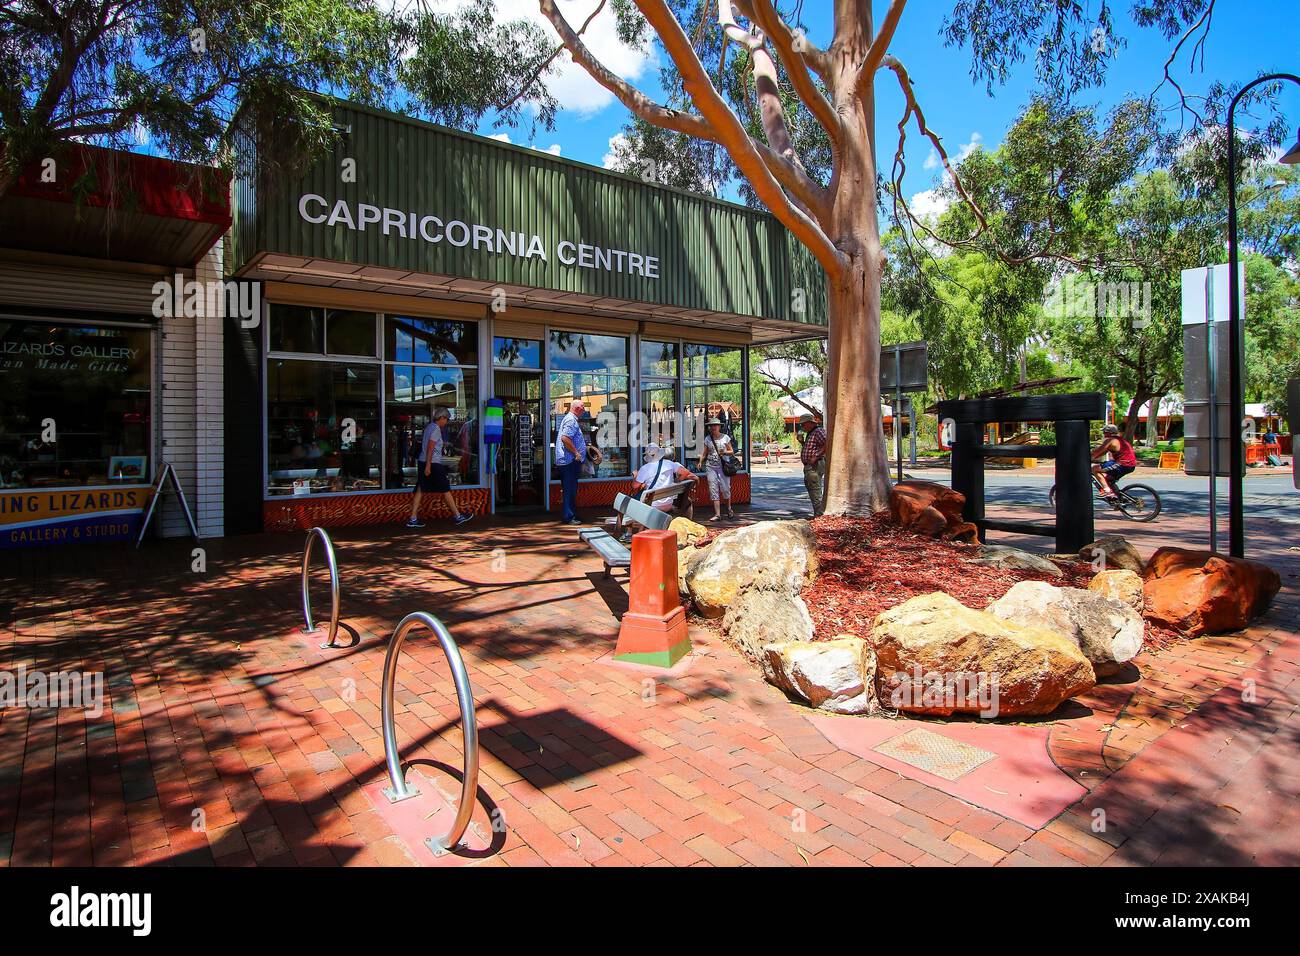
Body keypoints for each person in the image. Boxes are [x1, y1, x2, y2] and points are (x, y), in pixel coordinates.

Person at [407, 407, 473, 528]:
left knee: (420, 489)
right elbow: (431, 447)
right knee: (445, 489)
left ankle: (413, 518)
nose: (446, 422)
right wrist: (428, 466)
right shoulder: (436, 429)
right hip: (432, 463)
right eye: (446, 419)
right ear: (441, 417)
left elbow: (429, 445)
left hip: (423, 461)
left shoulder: (429, 427)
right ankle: (457, 516)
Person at [616, 443, 697, 541]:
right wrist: (678, 480)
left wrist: (636, 476)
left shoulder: (645, 468)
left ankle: (627, 534)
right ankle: (631, 533)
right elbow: (686, 473)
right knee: (637, 500)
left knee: (624, 505)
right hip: (668, 503)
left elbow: (634, 486)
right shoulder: (669, 464)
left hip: (652, 505)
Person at [556, 398, 600, 524]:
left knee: (571, 488)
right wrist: (576, 453)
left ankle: (571, 514)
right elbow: (565, 438)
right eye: (583, 407)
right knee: (570, 489)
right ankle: (569, 516)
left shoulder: (571, 419)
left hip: (568, 461)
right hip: (569, 461)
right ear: (577, 408)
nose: (584, 410)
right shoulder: (571, 420)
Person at [697, 417, 735, 522]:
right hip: (711, 466)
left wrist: (724, 452)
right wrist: (700, 461)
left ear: (719, 427)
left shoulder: (725, 438)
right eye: (711, 426)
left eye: (715, 425)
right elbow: (704, 452)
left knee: (726, 488)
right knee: (713, 489)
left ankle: (729, 509)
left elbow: (731, 451)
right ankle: (717, 514)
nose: (713, 427)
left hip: (723, 466)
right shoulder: (708, 439)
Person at [1091, 423, 1137, 499]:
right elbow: (1102, 453)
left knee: (1094, 469)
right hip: (1130, 465)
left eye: (1104, 432)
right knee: (1108, 479)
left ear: (1108, 432)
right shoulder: (1120, 439)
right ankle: (1118, 499)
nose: (1103, 434)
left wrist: (1087, 458)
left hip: (1123, 464)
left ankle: (1107, 491)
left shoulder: (1110, 440)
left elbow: (1097, 452)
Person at [798, 413, 827, 517]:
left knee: (815, 489)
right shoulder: (811, 433)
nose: (802, 427)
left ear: (810, 423)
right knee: (811, 487)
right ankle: (818, 512)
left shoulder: (818, 431)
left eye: (804, 424)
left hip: (815, 465)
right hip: (809, 465)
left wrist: (816, 456)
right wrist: (802, 442)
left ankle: (819, 514)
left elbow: (827, 443)